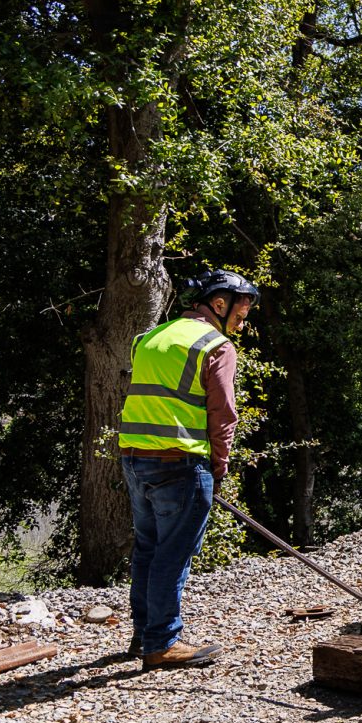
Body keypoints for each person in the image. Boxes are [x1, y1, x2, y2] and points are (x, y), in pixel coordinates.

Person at [119, 269, 257, 668]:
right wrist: (220, 464)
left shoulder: (149, 338)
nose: (242, 321)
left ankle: (144, 635)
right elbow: (223, 414)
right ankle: (161, 642)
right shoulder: (216, 346)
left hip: (134, 457)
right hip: (180, 461)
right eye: (241, 312)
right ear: (219, 303)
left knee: (147, 548)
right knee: (172, 554)